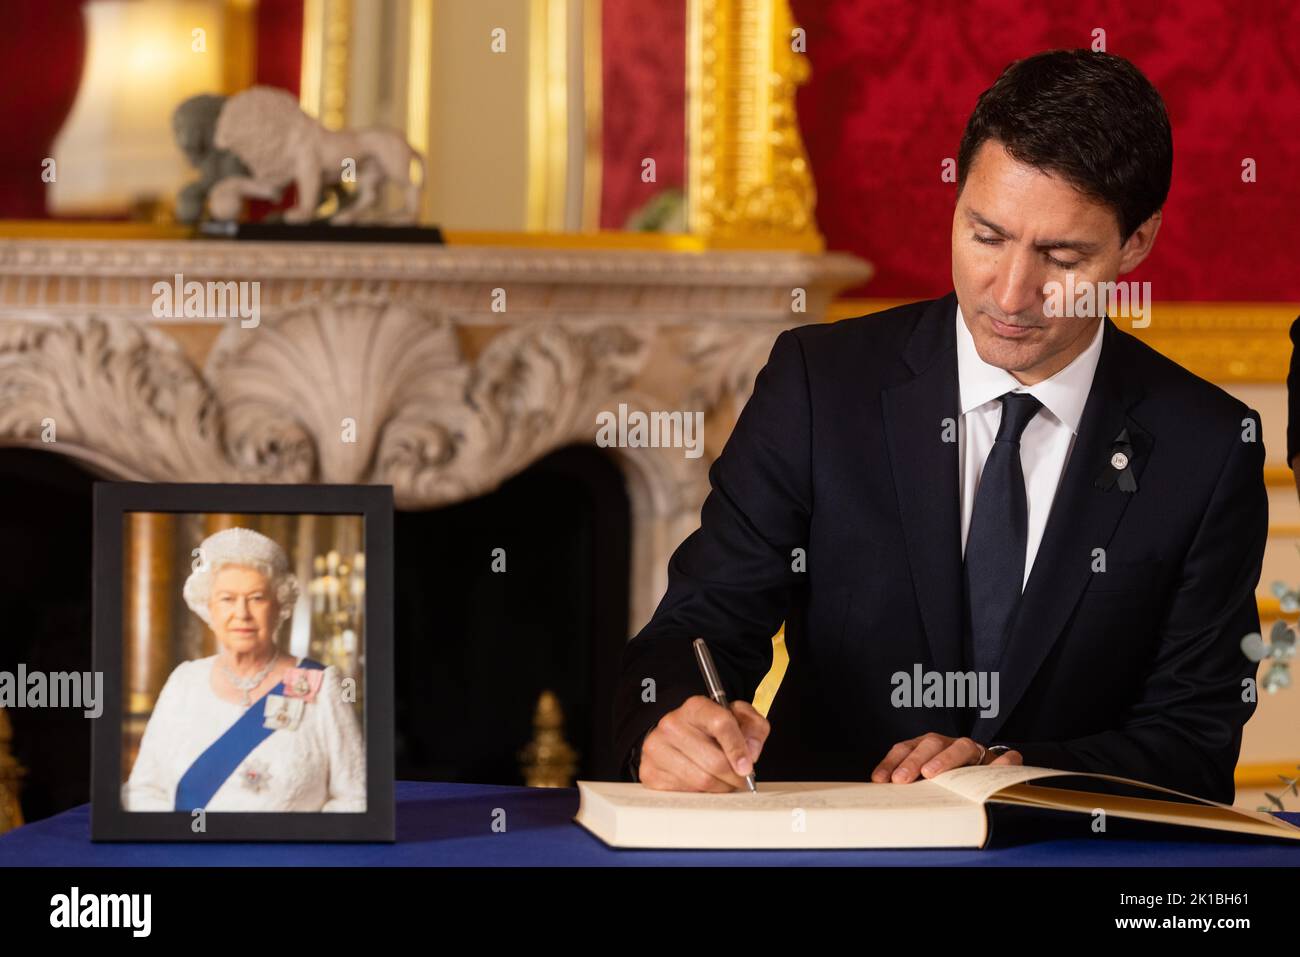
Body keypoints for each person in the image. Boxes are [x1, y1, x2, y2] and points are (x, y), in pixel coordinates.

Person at [614, 49, 1267, 804]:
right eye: (986, 236)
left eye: (1061, 256)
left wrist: (1010, 768)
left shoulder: (1209, 446)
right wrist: (666, 723)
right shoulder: (819, 383)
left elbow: (1193, 741)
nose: (1012, 293)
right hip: (822, 848)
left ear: (1138, 242)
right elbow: (699, 624)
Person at [123, 526, 366, 812]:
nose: (242, 613)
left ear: (280, 606)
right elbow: (143, 790)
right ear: (208, 607)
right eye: (227, 599)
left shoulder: (320, 684)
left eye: (256, 598)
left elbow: (354, 798)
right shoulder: (183, 682)